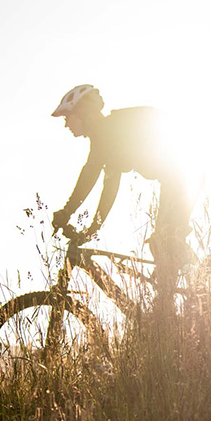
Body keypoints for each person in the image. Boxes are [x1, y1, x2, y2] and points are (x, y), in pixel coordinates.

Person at [49, 84, 195, 303]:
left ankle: (200, 282)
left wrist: (67, 211)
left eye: (68, 117)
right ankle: (166, 306)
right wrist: (93, 228)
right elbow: (109, 188)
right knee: (163, 246)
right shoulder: (108, 137)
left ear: (83, 112)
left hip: (187, 173)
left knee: (165, 240)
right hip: (178, 178)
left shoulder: (108, 132)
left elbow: (90, 173)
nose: (66, 124)